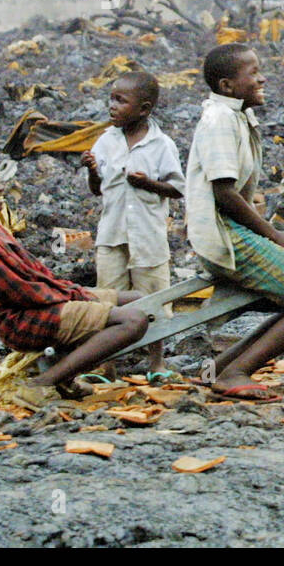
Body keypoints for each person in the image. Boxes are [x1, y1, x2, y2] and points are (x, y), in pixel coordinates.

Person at [184, 43, 284, 401]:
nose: (262, 78)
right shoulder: (220, 120)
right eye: (253, 73)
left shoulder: (236, 115)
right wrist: (273, 236)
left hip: (232, 230)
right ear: (227, 86)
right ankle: (235, 372)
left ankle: (215, 369)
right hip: (225, 236)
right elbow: (224, 192)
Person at [0, 154, 149, 400]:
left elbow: (32, 274)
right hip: (22, 320)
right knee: (134, 321)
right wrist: (78, 297)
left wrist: (76, 293)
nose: (1, 188)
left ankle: (157, 368)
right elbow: (21, 291)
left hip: (37, 305)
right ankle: (45, 383)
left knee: (139, 298)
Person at [80, 71, 184, 379]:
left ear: (144, 108)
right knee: (108, 298)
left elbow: (177, 189)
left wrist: (149, 183)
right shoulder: (106, 141)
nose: (112, 106)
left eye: (120, 101)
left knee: (154, 295)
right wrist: (92, 171)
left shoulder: (162, 145)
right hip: (112, 234)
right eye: (111, 98)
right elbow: (98, 190)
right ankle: (107, 365)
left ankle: (157, 363)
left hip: (148, 236)